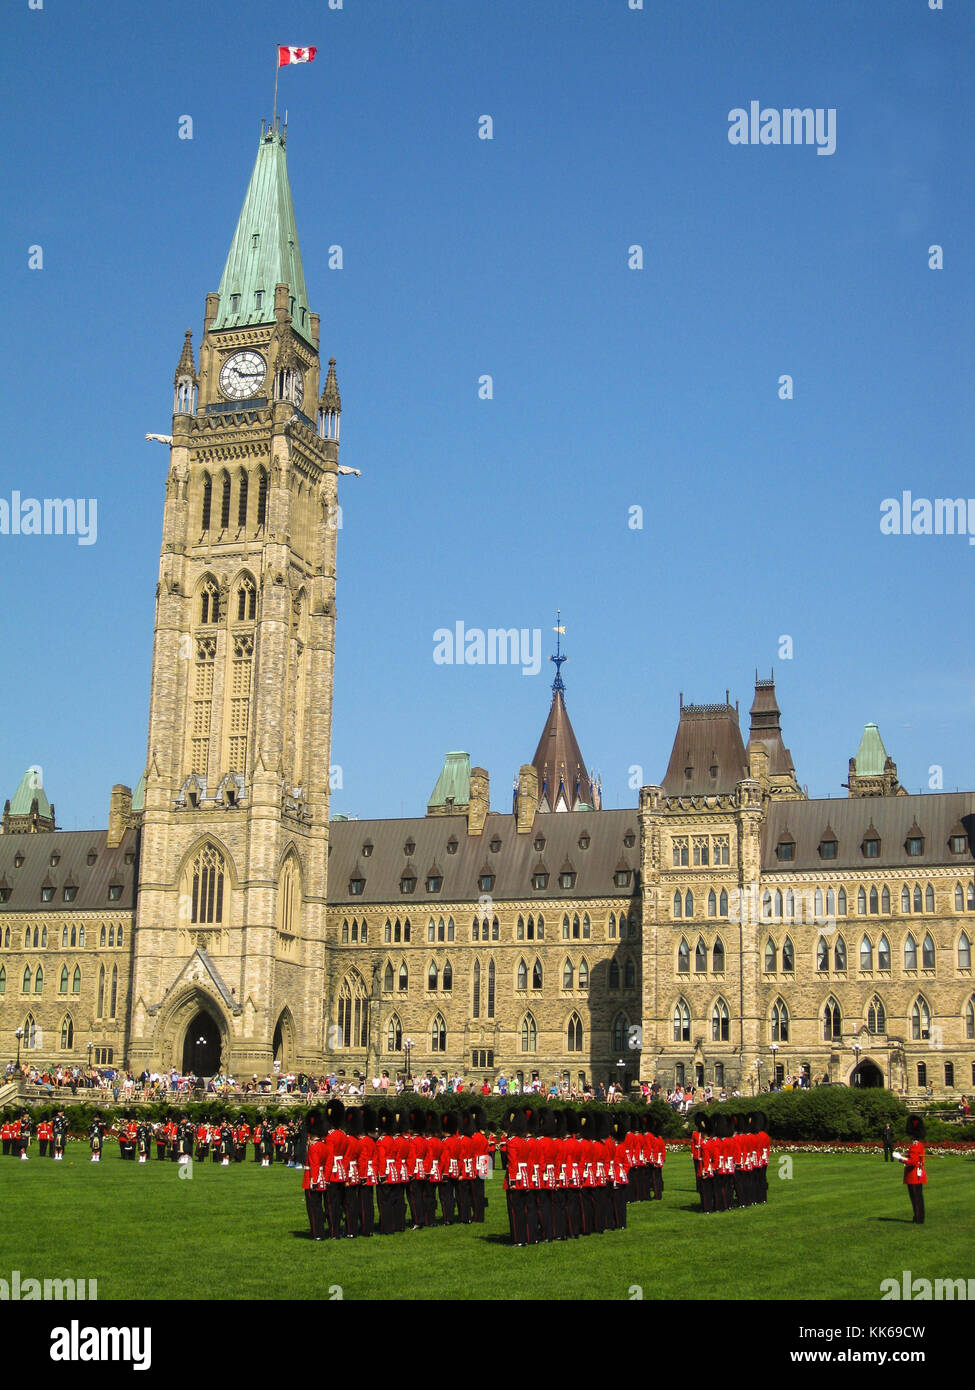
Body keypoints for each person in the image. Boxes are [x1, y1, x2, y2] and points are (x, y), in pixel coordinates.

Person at [896, 1115, 926, 1224]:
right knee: (917, 1197)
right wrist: (905, 1155)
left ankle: (918, 1218)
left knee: (916, 1199)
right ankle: (918, 1217)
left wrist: (901, 1159)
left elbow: (912, 1161)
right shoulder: (918, 1144)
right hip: (917, 1174)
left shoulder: (915, 1145)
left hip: (914, 1175)